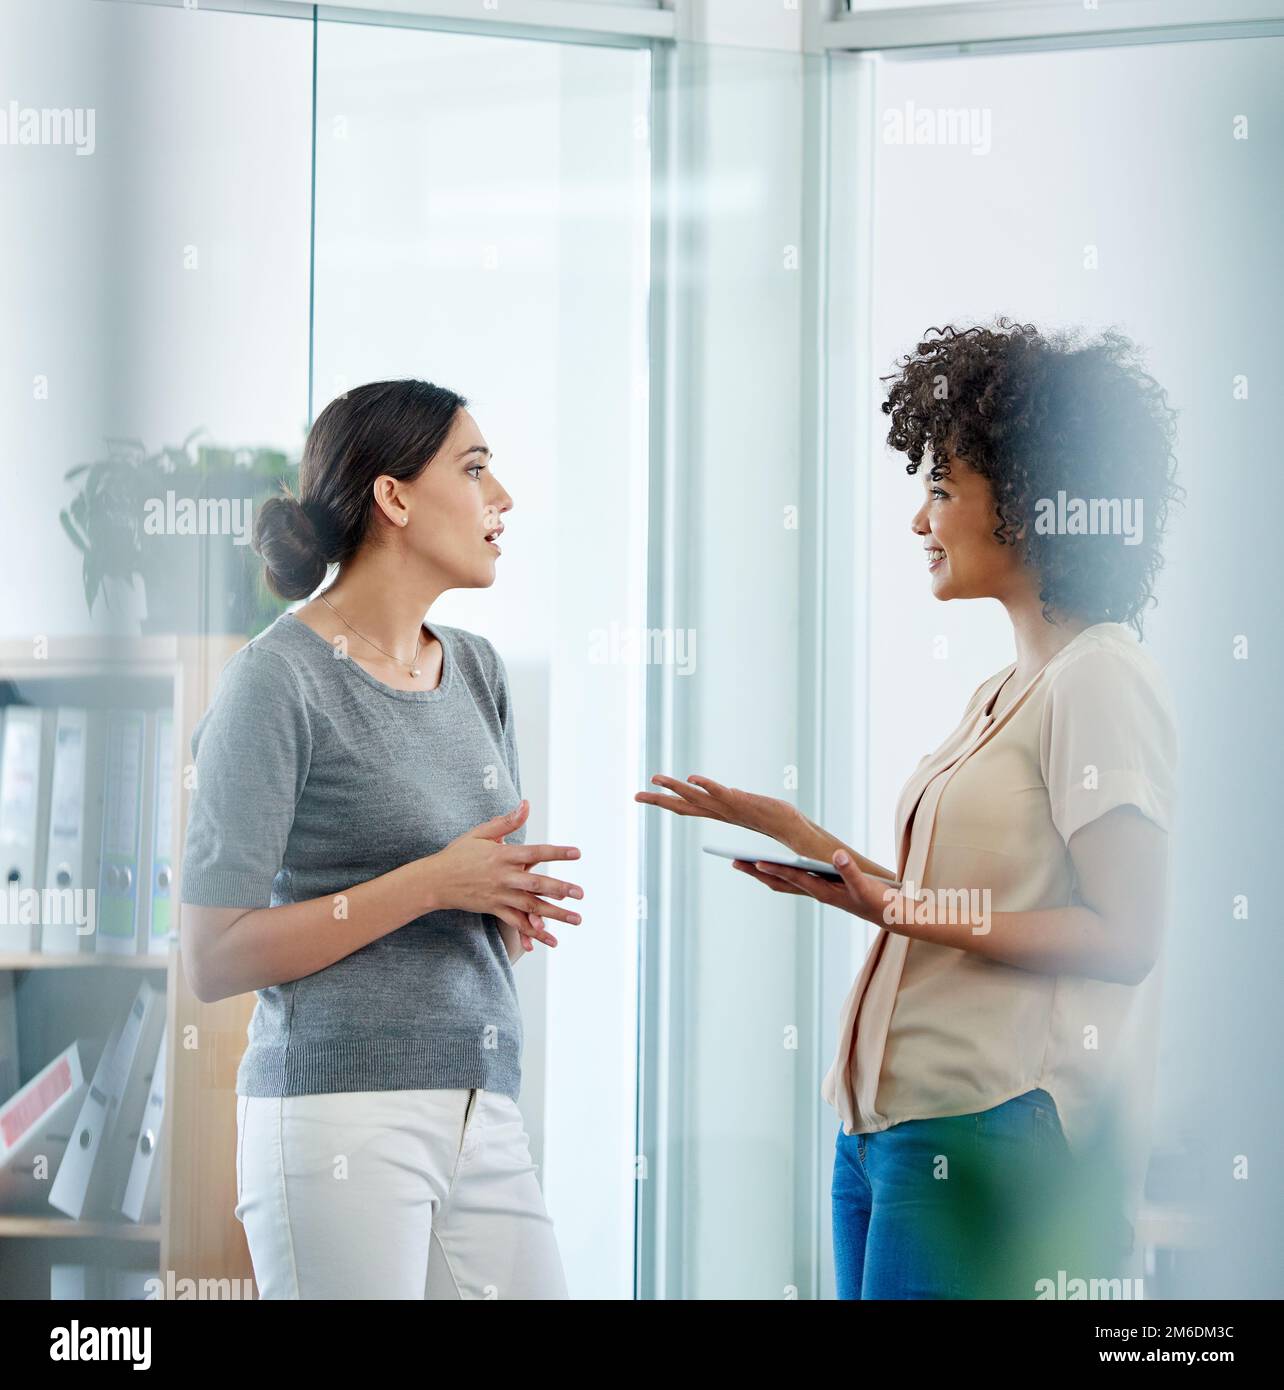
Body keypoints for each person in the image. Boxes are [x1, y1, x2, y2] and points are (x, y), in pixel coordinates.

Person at [637, 319, 1181, 1299]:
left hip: (989, 1128)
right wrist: (808, 843)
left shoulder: (1100, 677)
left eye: (940, 488)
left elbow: (1124, 934)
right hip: (885, 1131)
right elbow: (950, 902)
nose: (919, 521)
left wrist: (905, 908)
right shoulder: (1002, 690)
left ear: (1024, 502)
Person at [180, 378, 582, 1299]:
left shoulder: (476, 669)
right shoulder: (275, 683)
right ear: (393, 498)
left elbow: (471, 901)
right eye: (475, 469)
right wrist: (436, 883)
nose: (503, 499)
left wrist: (506, 903)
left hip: (485, 1104)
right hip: (338, 1117)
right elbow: (213, 957)